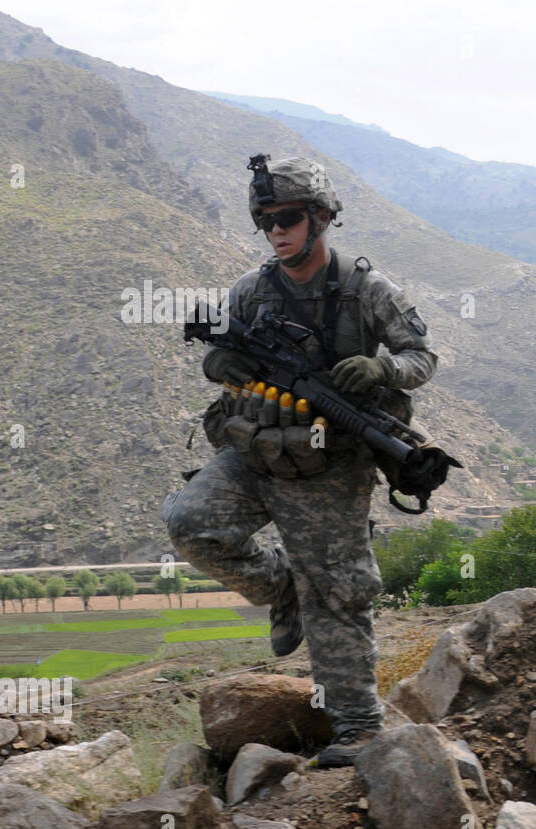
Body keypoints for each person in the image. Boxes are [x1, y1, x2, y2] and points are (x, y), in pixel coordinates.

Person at [163, 156, 438, 767]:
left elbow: (422, 357)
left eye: (286, 218)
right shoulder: (251, 290)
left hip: (331, 463)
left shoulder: (368, 290)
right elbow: (219, 351)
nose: (275, 231)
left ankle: (358, 728)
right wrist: (219, 364)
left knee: (338, 590)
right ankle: (281, 582)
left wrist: (382, 368)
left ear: (321, 217)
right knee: (190, 523)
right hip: (255, 449)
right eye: (265, 221)